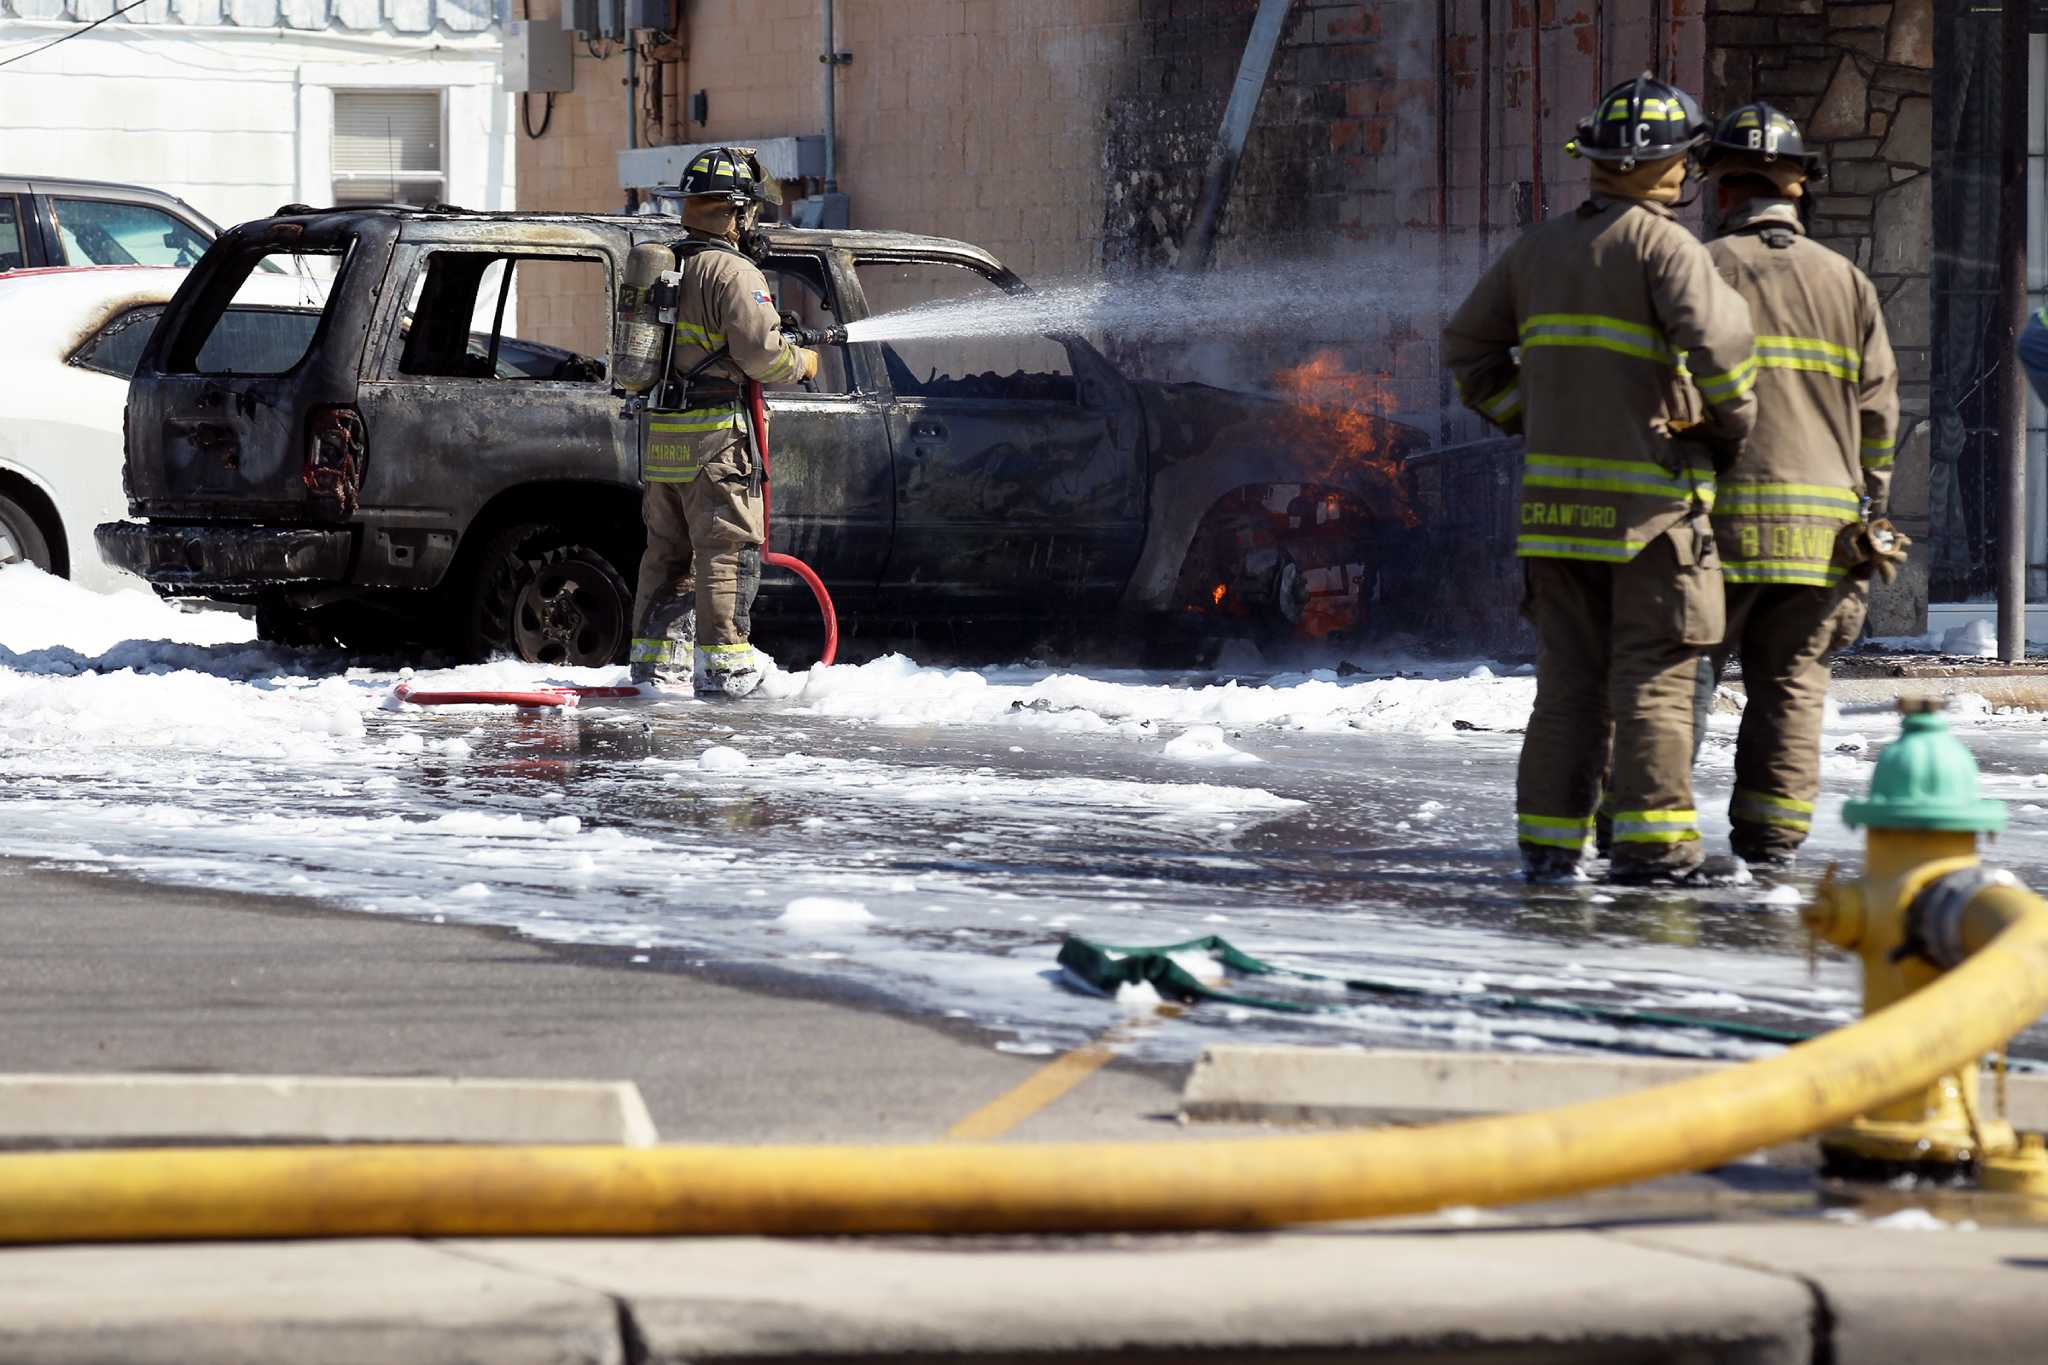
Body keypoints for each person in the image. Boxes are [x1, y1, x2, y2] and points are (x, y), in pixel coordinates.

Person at [1444, 74, 1757, 886]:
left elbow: (1468, 354)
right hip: (1649, 516)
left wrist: (1530, 416)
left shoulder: (1538, 250)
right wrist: (1722, 427)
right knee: (1655, 674)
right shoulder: (1665, 247)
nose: (1691, 174)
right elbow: (1724, 359)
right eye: (1687, 160)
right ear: (1668, 168)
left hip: (1554, 519)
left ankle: (1549, 844)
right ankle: (1652, 849)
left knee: (1568, 687)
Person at [1697, 103, 1902, 869]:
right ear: (1797, 190)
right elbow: (1879, 415)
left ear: (1722, 191)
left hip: (1713, 531)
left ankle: (1648, 838)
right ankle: (1773, 848)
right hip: (1823, 543)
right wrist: (1871, 506)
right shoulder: (1849, 284)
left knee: (1678, 681)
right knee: (1791, 690)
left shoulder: (1700, 270)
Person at [628, 146, 818, 698]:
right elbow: (762, 355)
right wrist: (803, 360)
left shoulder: (668, 263)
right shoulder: (732, 270)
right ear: (736, 210)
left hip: (663, 435)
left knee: (666, 552)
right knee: (725, 551)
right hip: (717, 439)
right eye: (751, 211)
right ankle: (727, 667)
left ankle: (652, 669)